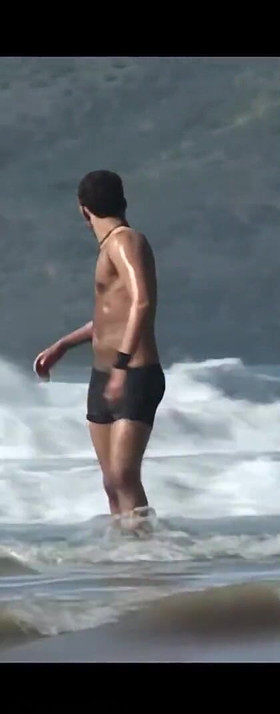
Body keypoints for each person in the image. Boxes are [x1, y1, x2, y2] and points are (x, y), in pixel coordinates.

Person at [34, 170, 165, 531]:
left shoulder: (125, 241)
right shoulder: (109, 246)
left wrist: (121, 367)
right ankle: (126, 553)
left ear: (83, 210)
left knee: (124, 475)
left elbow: (141, 302)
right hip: (104, 375)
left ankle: (150, 551)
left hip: (134, 373)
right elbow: (110, 318)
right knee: (110, 482)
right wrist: (63, 345)